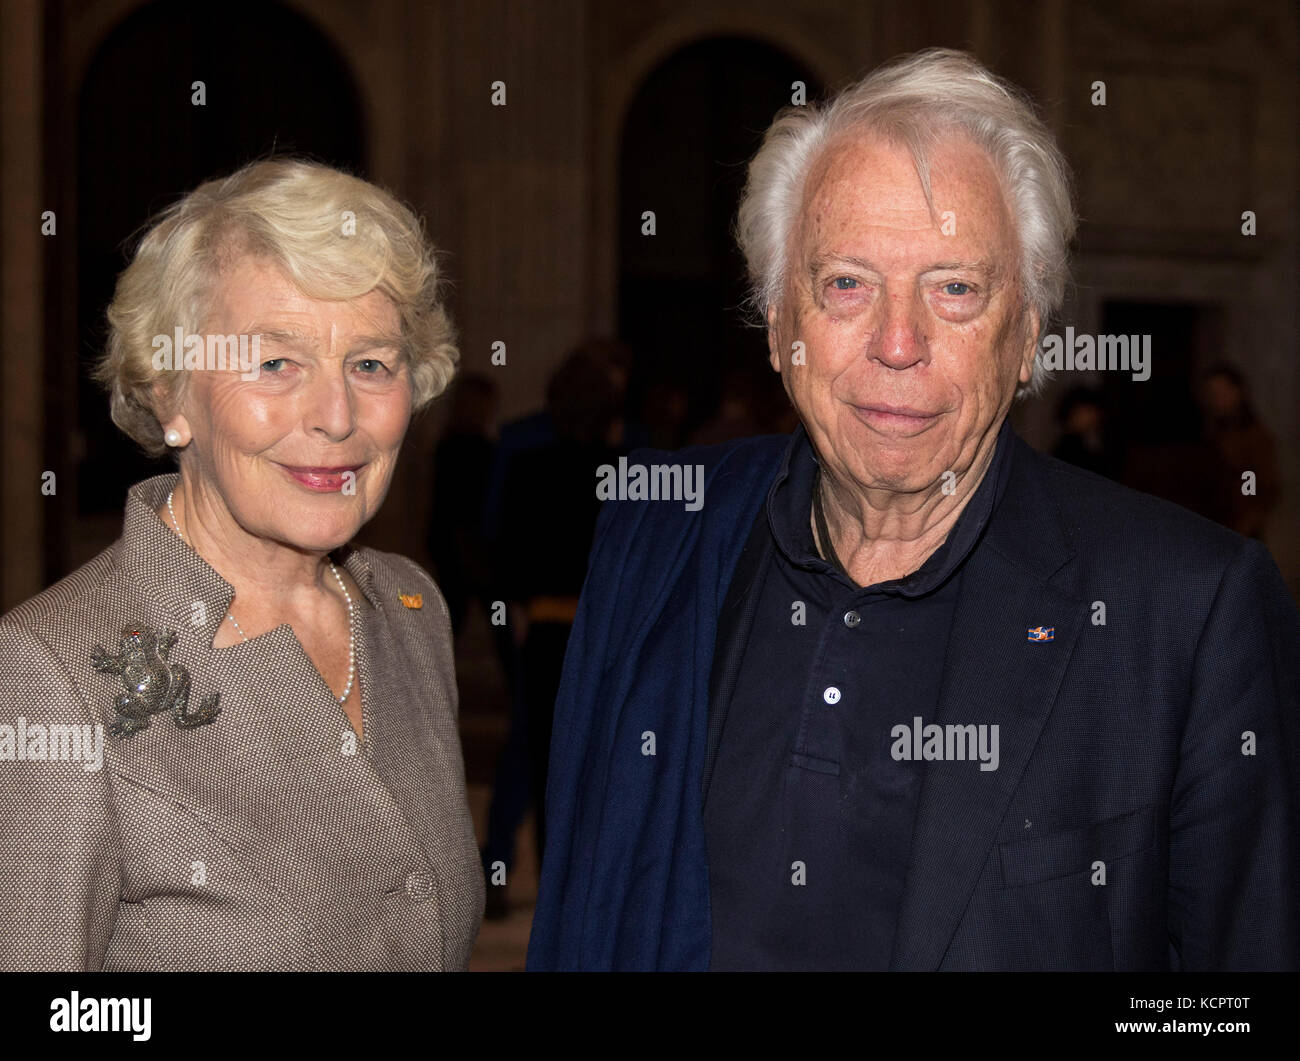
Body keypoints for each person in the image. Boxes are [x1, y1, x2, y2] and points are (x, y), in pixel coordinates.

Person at [528, 49, 1300, 971]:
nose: (900, 343)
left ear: (1027, 337)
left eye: (957, 289)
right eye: (847, 283)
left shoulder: (1188, 611)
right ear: (779, 326)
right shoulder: (656, 540)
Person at [0, 159, 484, 970]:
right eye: (274, 363)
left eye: (370, 363)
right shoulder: (52, 670)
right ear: (169, 392)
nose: (337, 417)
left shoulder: (410, 608)